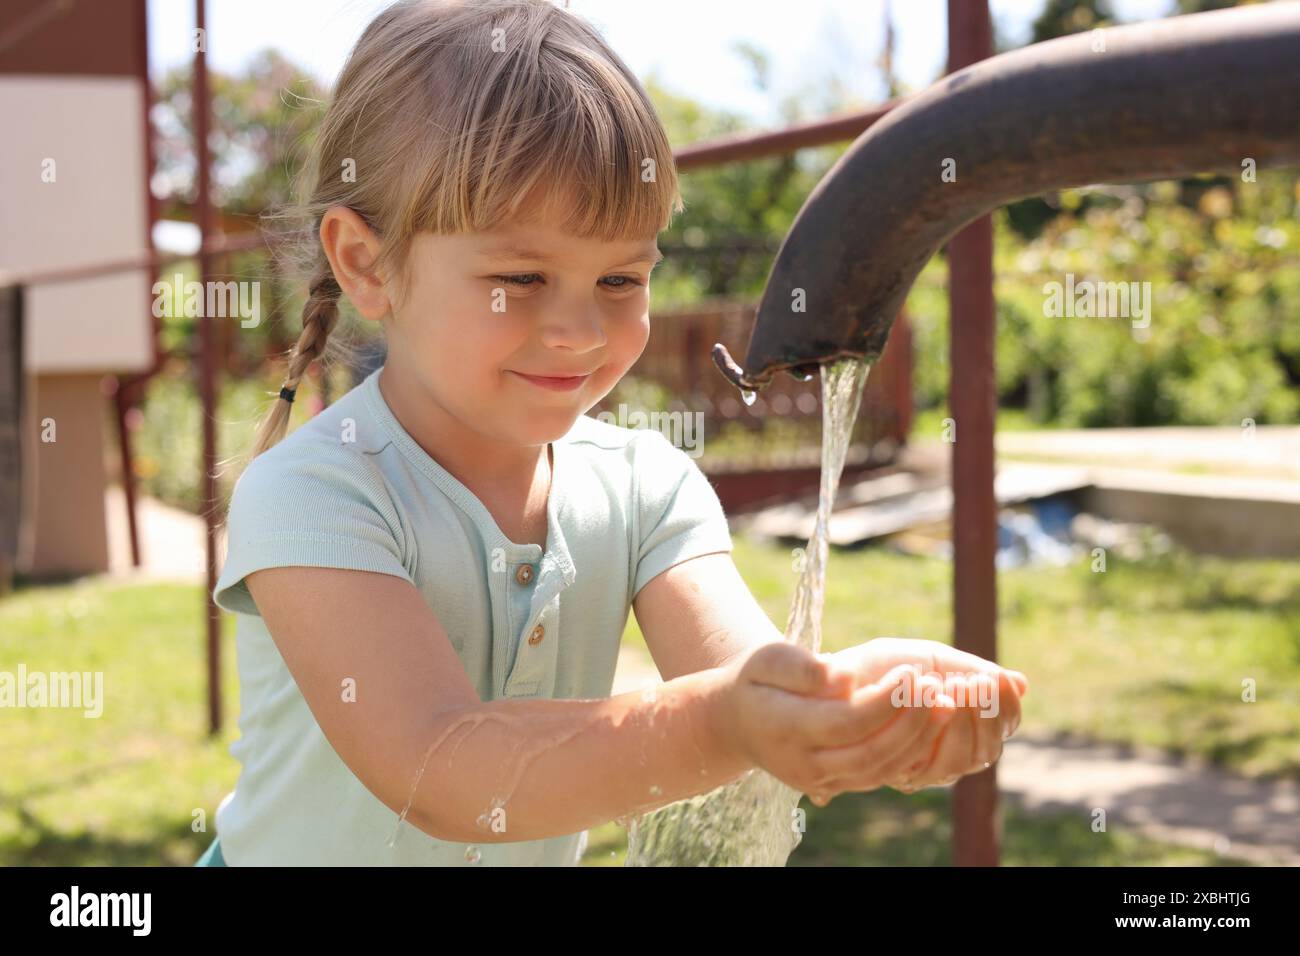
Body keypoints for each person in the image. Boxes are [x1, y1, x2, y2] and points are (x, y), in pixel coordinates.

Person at [194, 0, 1027, 867]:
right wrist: (725, 719)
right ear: (366, 263)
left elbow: (747, 680)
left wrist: (851, 706)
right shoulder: (315, 494)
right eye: (521, 276)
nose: (581, 331)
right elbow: (437, 768)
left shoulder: (643, 487)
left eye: (622, 278)